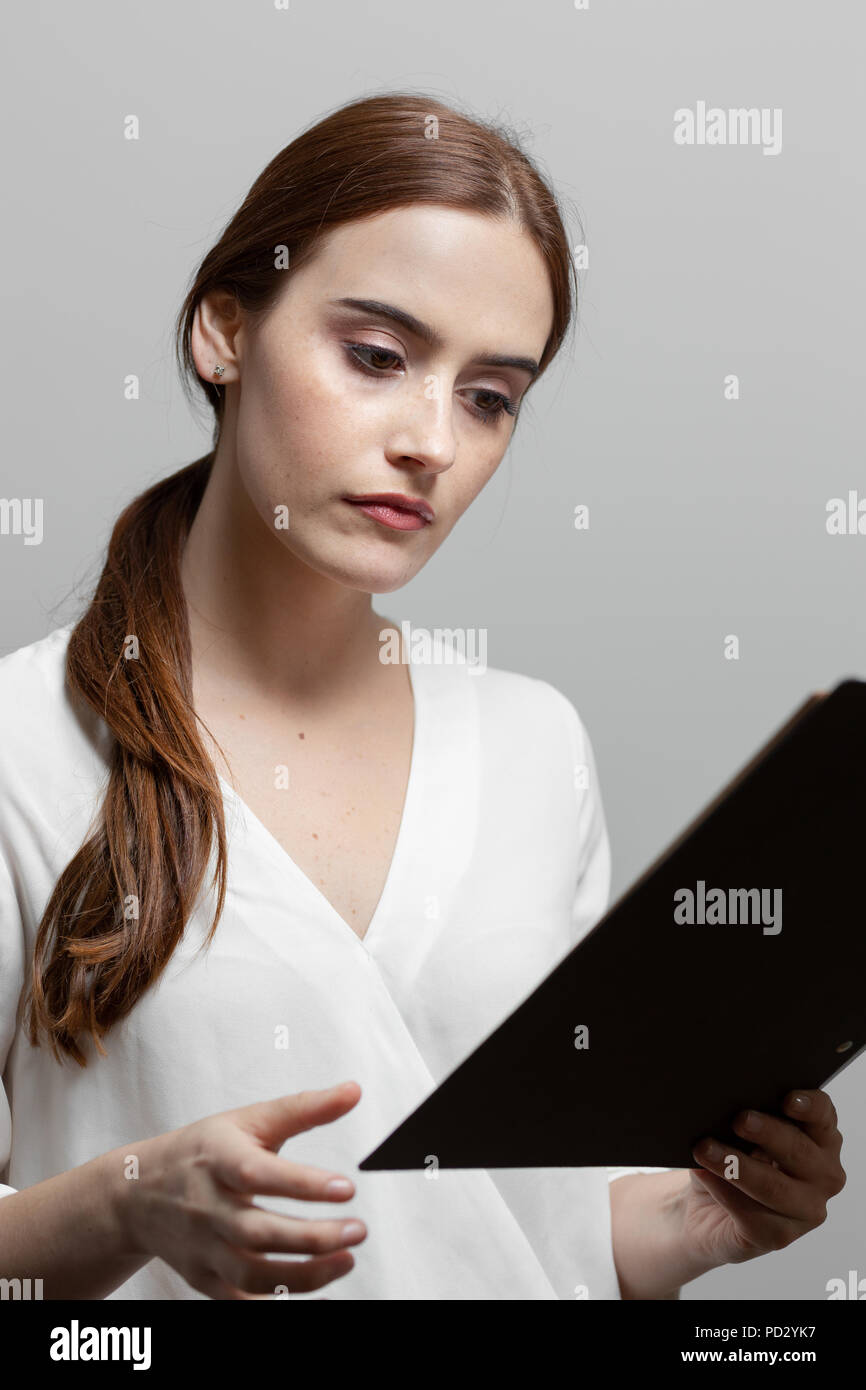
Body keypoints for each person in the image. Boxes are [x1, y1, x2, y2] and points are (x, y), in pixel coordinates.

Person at [0, 92, 845, 1301]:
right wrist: (133, 1197)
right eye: (378, 357)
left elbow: (527, 1232)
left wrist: (701, 1219)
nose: (431, 443)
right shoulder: (21, 747)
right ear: (222, 331)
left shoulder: (530, 742)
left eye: (489, 396)